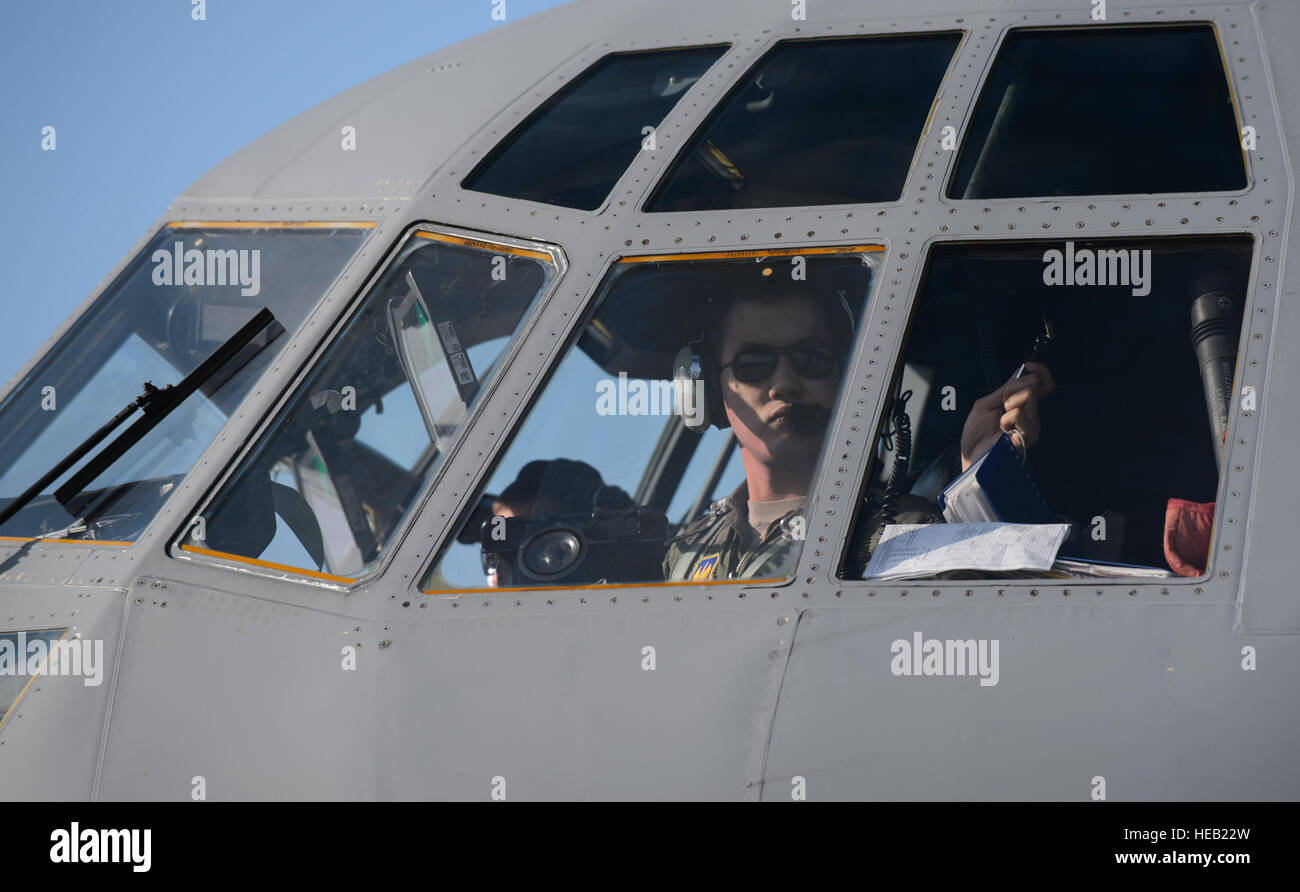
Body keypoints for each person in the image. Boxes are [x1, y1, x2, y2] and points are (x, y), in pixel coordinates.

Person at [664, 281, 1055, 581]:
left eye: (811, 359)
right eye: (753, 363)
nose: (783, 384)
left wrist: (980, 482)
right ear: (712, 391)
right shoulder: (686, 550)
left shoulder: (906, 533)